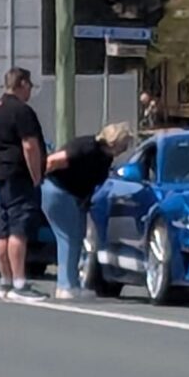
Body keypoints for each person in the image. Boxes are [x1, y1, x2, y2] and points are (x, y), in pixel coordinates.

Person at [41, 122, 134, 301]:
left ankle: (71, 283)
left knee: (76, 236)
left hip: (75, 196)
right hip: (58, 190)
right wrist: (36, 181)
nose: (125, 148)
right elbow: (52, 161)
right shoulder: (86, 147)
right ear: (114, 142)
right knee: (68, 237)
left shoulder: (104, 157)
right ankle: (66, 286)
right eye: (125, 144)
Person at [0, 66, 48, 303]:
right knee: (18, 228)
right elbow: (29, 145)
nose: (31, 89)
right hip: (17, 174)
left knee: (4, 228)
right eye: (29, 85)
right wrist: (36, 176)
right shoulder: (21, 111)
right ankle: (20, 284)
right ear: (22, 84)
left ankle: (5, 281)